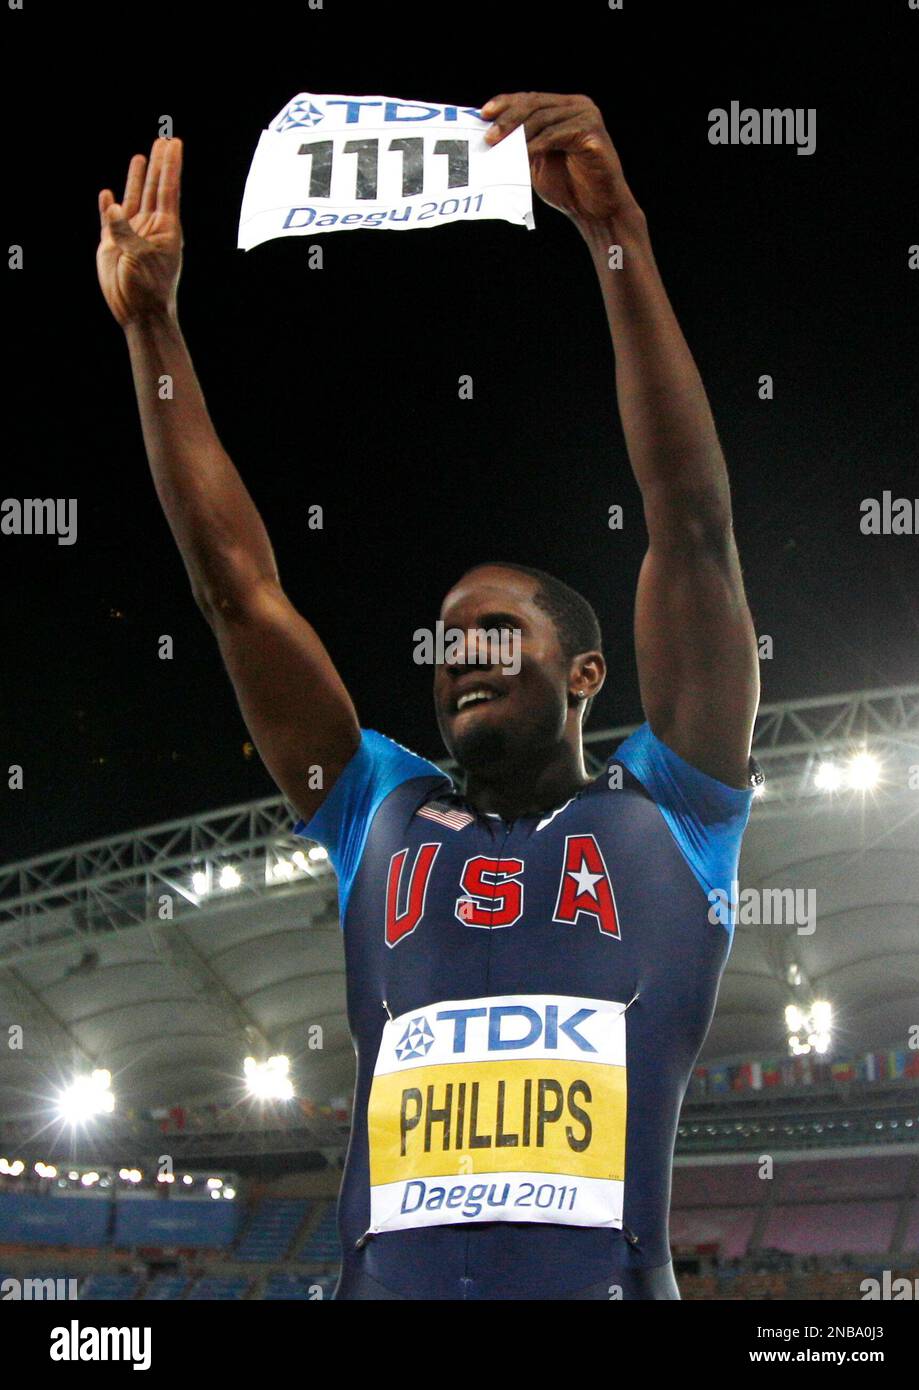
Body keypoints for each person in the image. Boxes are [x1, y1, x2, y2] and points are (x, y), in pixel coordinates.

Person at [97, 91, 759, 1299]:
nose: (461, 654)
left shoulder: (683, 808)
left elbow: (693, 526)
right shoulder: (373, 810)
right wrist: (154, 333)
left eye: (497, 631)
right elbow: (236, 593)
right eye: (446, 640)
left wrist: (616, 230)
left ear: (585, 675)